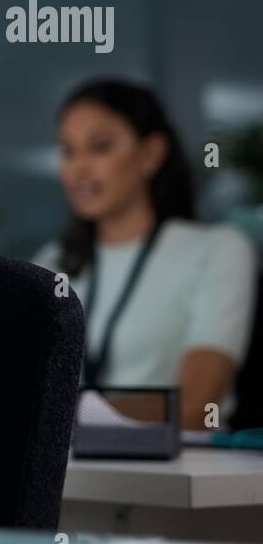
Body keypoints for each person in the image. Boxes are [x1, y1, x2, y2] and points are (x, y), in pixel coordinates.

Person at [33, 79, 256, 430]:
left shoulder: (218, 249)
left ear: (151, 154)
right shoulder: (52, 262)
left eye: (100, 147)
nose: (79, 168)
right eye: (68, 152)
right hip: (69, 474)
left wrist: (66, 415)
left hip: (180, 475)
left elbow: (197, 406)